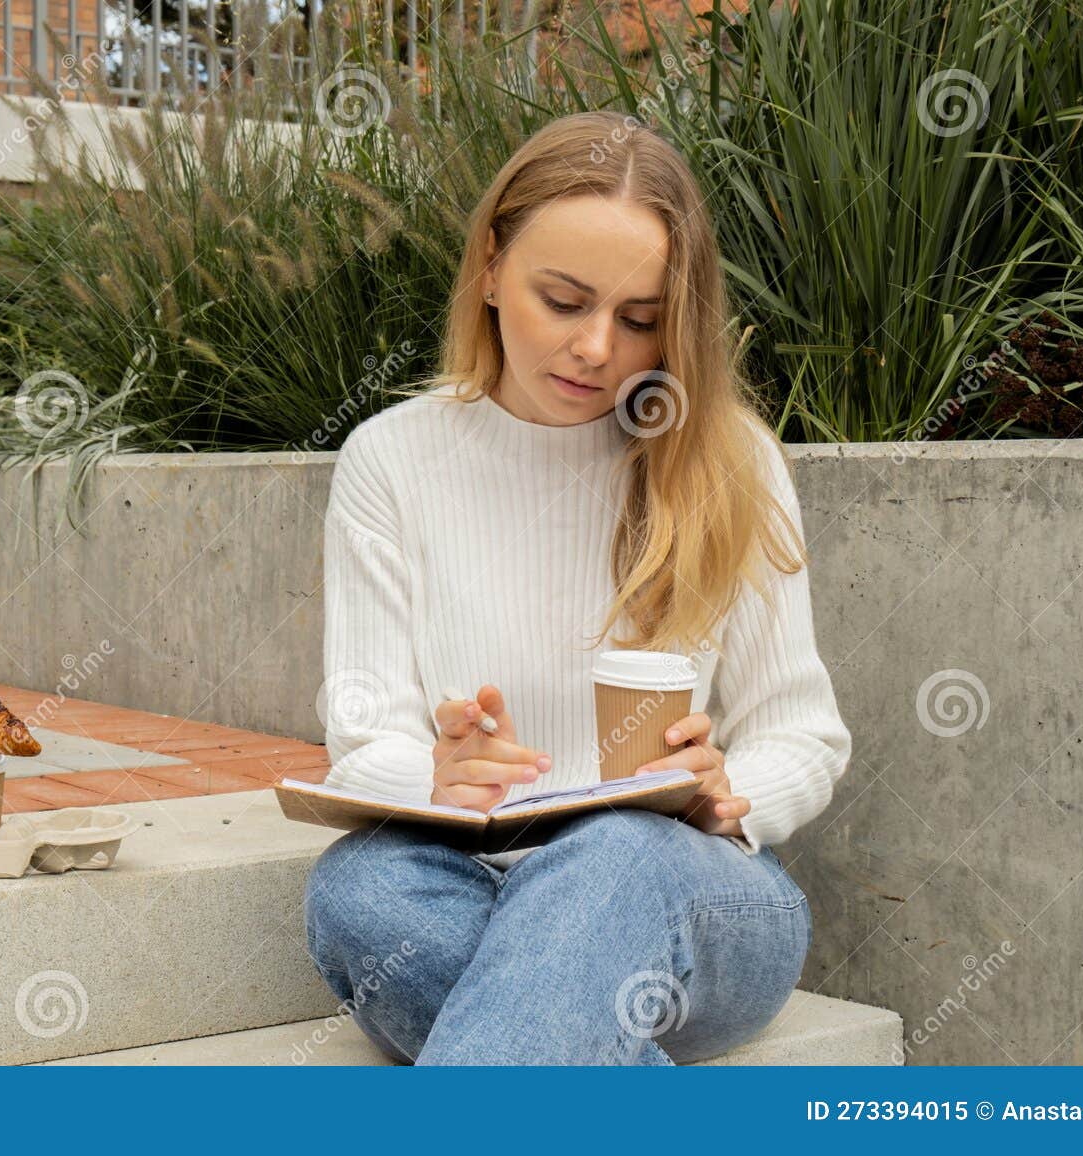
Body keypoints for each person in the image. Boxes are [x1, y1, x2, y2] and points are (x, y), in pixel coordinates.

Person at [303, 109, 851, 1065]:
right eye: (564, 300)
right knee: (359, 892)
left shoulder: (730, 461)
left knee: (612, 852)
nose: (599, 348)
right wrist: (435, 774)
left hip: (693, 900)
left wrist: (730, 795)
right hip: (469, 878)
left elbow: (803, 733)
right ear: (489, 268)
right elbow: (362, 732)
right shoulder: (390, 459)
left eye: (640, 320)